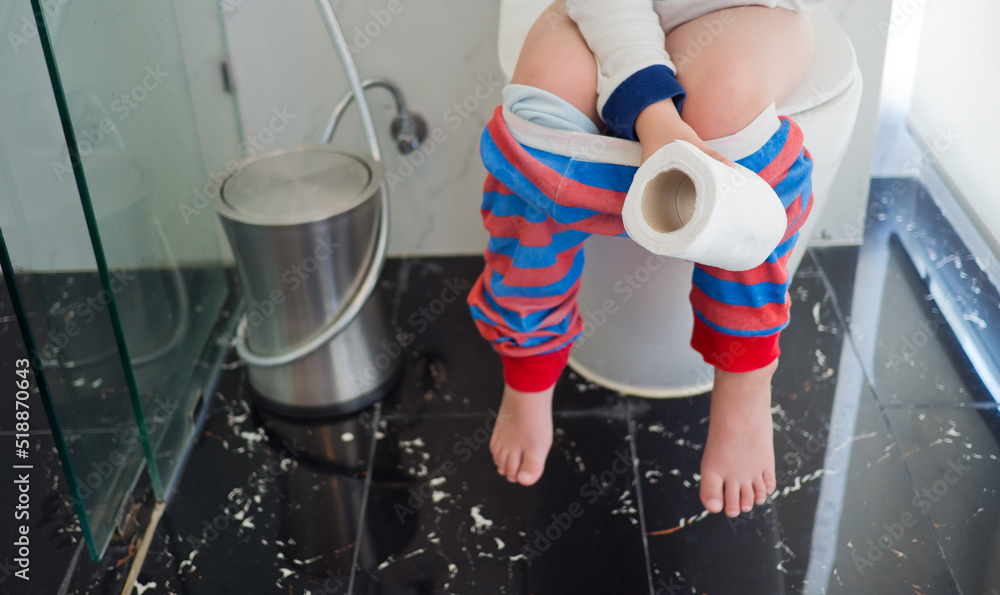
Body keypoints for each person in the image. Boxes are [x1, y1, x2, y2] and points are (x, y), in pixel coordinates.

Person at [467, 0, 823, 518]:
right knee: (537, 121)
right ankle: (530, 362)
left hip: (741, 8)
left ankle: (744, 381)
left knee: (725, 119)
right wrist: (654, 118)